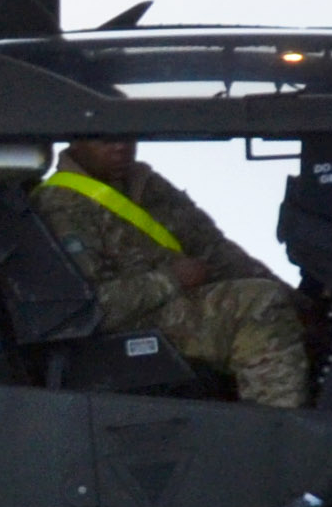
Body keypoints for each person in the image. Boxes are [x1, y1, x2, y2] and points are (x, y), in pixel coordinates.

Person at [37, 134, 312, 407]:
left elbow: (215, 251)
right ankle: (277, 432)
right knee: (256, 304)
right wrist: (171, 280)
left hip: (178, 305)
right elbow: (84, 308)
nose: (120, 147)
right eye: (105, 140)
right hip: (126, 327)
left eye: (128, 137)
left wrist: (299, 302)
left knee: (287, 304)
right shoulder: (61, 203)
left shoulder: (147, 186)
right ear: (76, 142)